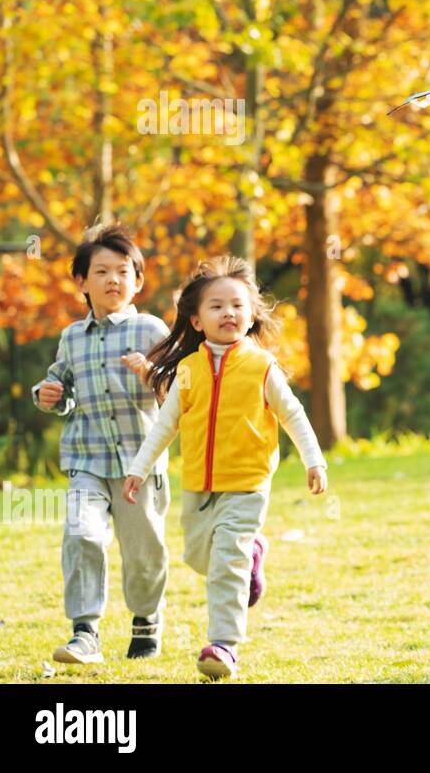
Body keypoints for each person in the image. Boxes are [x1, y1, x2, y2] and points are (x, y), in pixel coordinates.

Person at [123, 256, 328, 679]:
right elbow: (165, 425)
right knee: (200, 557)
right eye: (216, 306)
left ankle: (224, 645)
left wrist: (314, 459)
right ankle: (253, 554)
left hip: (247, 484)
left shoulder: (261, 367)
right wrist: (139, 469)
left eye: (237, 305)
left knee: (225, 565)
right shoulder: (187, 370)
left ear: (251, 316)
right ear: (197, 320)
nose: (228, 312)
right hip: (198, 484)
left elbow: (292, 414)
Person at [33, 224, 171, 664]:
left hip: (140, 463)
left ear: (138, 282)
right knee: (82, 534)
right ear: (82, 282)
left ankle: (146, 620)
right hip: (86, 458)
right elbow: (61, 385)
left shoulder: (151, 329)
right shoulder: (72, 337)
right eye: (102, 271)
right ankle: (85, 632)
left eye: (123, 272)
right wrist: (48, 394)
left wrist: (151, 373)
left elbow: (178, 390)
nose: (114, 280)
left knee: (143, 550)